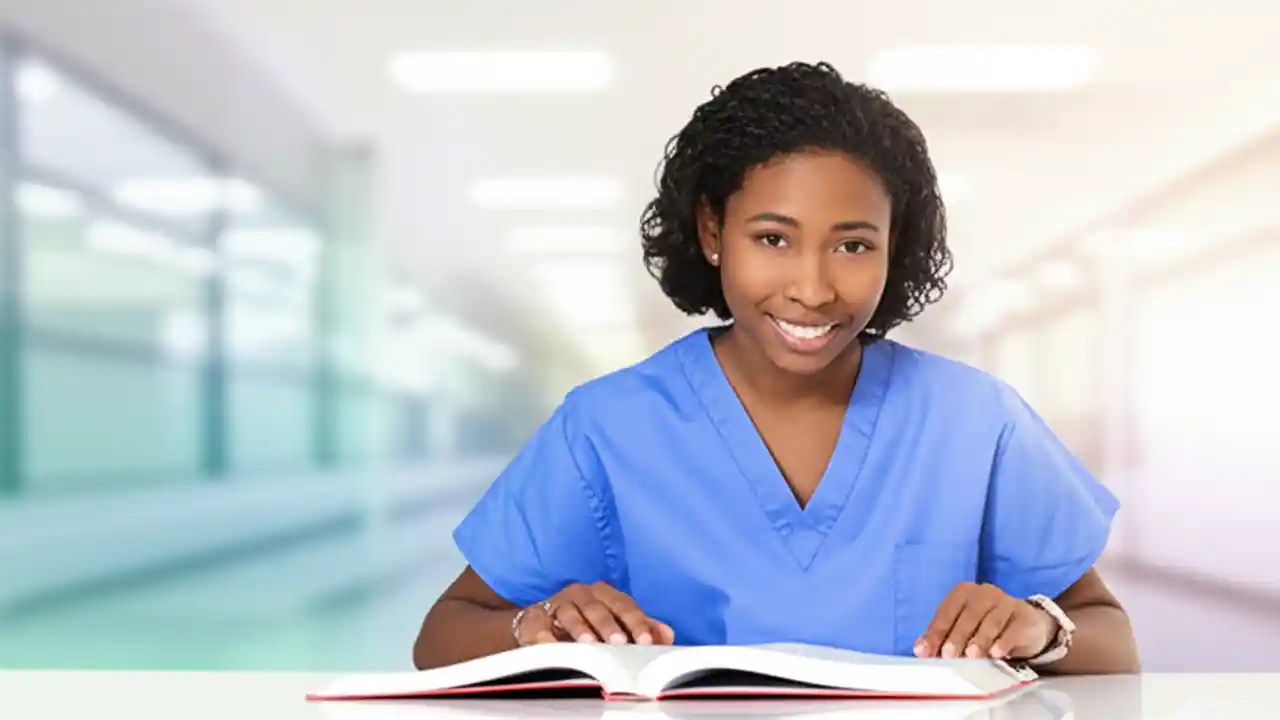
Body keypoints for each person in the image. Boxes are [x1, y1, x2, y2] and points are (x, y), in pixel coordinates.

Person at [413, 61, 1140, 675]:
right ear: (711, 232)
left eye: (853, 246)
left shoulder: (975, 421)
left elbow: (1110, 638)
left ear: (896, 247)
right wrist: (532, 628)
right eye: (773, 238)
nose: (814, 288)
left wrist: (1041, 630)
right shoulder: (608, 425)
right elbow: (442, 635)